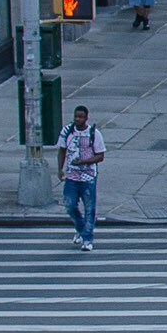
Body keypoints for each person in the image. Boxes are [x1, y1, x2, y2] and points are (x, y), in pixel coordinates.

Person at [57, 104, 105, 249]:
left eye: (81, 117)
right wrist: (60, 168)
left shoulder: (94, 133)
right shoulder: (67, 131)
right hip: (72, 176)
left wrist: (84, 161)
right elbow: (62, 150)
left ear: (86, 118)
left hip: (88, 177)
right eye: (76, 116)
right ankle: (80, 227)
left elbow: (100, 156)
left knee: (89, 208)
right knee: (69, 205)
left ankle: (87, 239)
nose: (78, 119)